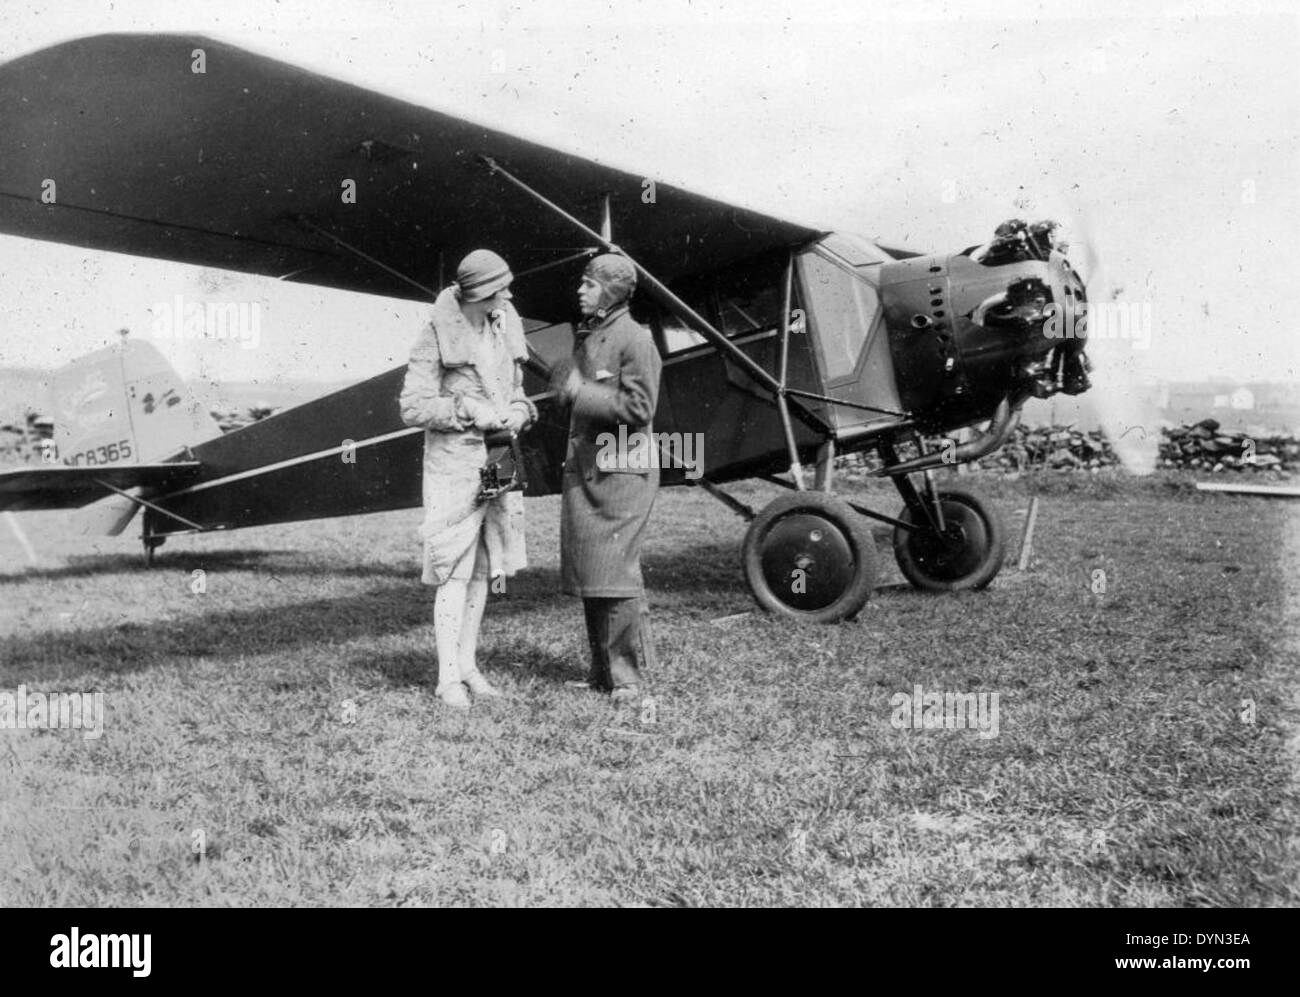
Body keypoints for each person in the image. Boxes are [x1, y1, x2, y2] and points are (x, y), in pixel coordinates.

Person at [399, 249, 536, 709]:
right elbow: (412, 406)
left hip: (496, 462)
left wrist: (519, 409)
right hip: (454, 468)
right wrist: (464, 409)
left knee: (482, 571)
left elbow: (517, 390)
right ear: (479, 292)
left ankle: (469, 667)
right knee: (453, 573)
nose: (508, 295)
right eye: (500, 288)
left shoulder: (502, 326)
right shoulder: (435, 334)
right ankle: (446, 679)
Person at [553, 254, 662, 706]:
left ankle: (628, 681)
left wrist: (581, 392)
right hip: (591, 470)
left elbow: (640, 410)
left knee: (614, 576)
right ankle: (602, 674)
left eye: (589, 284)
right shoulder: (593, 334)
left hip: (621, 473)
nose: (581, 291)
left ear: (612, 292)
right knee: (592, 572)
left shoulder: (635, 340)